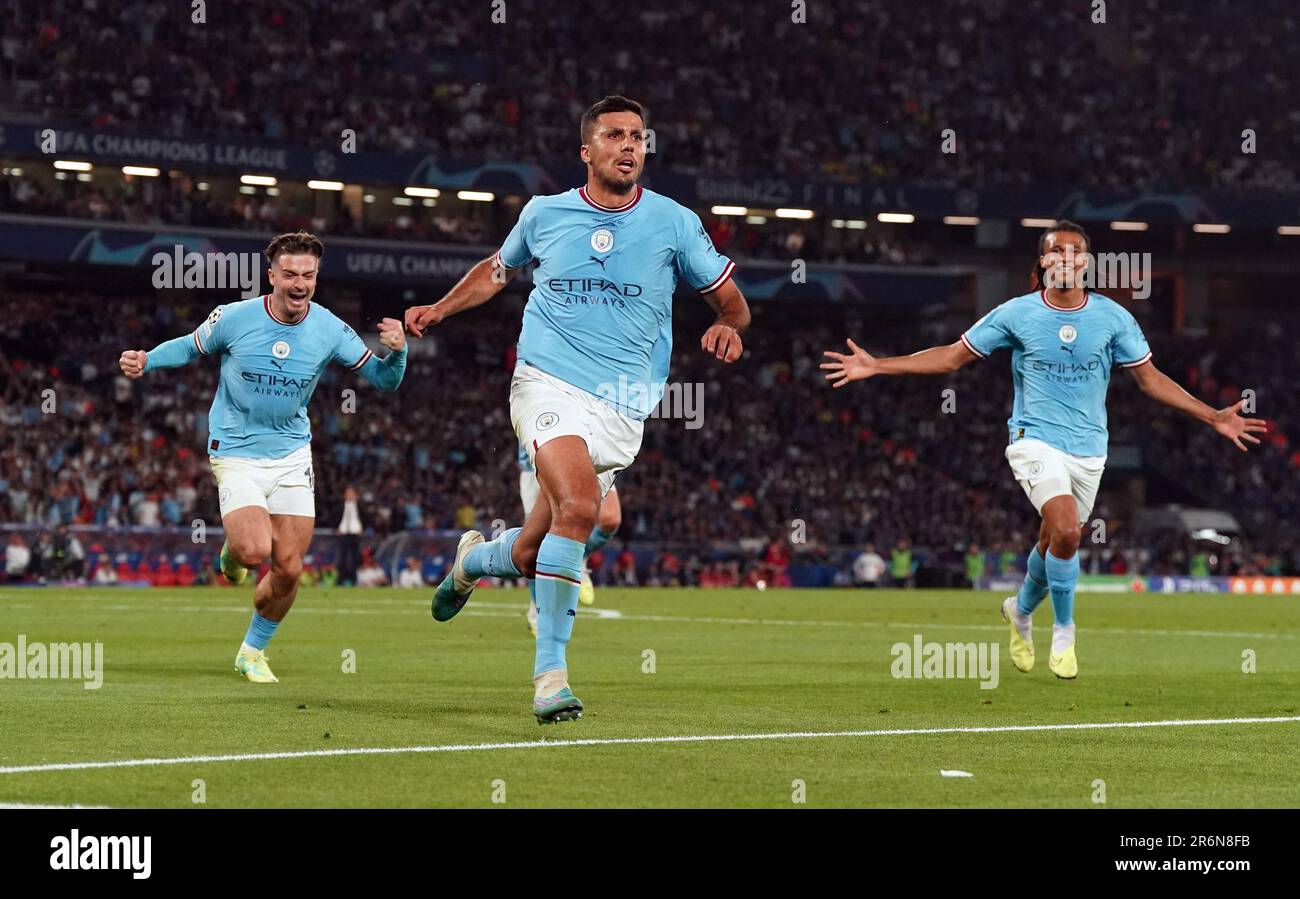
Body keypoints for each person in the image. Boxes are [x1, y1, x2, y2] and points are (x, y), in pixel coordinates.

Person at [405, 95, 750, 723]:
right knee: (585, 509)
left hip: (624, 404)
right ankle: (550, 679)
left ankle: (475, 560)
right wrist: (438, 309)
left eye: (638, 137)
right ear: (586, 150)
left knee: (534, 551)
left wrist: (729, 324)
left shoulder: (673, 222)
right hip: (547, 381)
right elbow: (497, 270)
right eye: (615, 136)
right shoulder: (545, 213)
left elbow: (733, 301)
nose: (629, 146)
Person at [822, 219, 1265, 679]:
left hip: (1089, 450)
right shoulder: (1016, 313)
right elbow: (952, 355)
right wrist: (878, 365)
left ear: (1088, 263)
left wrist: (1213, 415)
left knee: (1054, 540)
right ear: (1043, 262)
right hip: (1033, 439)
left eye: (1075, 252)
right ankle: (1066, 631)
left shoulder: (1114, 318)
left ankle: (1019, 610)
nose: (1066, 259)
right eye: (1056, 252)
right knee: (1068, 532)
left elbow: (1150, 380)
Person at [118, 231, 408, 683]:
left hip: (292, 454)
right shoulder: (236, 317)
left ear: (316, 277)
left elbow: (384, 380)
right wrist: (147, 359)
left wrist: (398, 353)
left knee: (289, 570)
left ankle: (252, 651)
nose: (299, 283)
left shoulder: (330, 328)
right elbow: (190, 345)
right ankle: (233, 552)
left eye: (308, 275)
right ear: (271, 275)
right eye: (289, 273)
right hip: (235, 450)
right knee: (254, 550)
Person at [518, 441, 622, 636]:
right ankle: (539, 610)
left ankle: (579, 556)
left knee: (610, 519)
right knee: (536, 540)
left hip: (589, 449)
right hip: (541, 451)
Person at [336, 486, 363, 586]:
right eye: (348, 493)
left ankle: (354, 580)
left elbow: (366, 517)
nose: (350, 495)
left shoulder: (360, 507)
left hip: (355, 534)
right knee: (342, 558)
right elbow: (333, 517)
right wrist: (336, 528)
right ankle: (341, 580)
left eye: (352, 493)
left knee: (355, 558)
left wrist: (362, 527)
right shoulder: (340, 507)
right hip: (343, 534)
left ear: (356, 495)